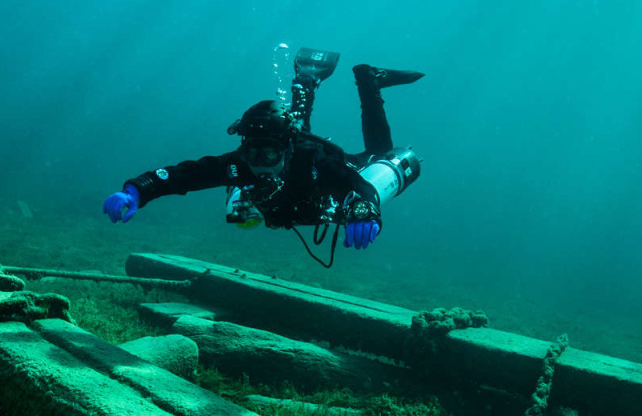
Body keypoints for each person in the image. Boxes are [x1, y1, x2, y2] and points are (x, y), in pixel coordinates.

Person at [102, 48, 424, 266]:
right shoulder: (239, 164)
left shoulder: (312, 159)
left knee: (381, 154)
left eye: (269, 152)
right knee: (294, 127)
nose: (259, 162)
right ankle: (306, 80)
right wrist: (136, 190)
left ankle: (369, 81)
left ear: (285, 149)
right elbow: (183, 175)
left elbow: (353, 182)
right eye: (252, 151)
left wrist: (364, 209)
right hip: (296, 174)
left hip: (326, 182)